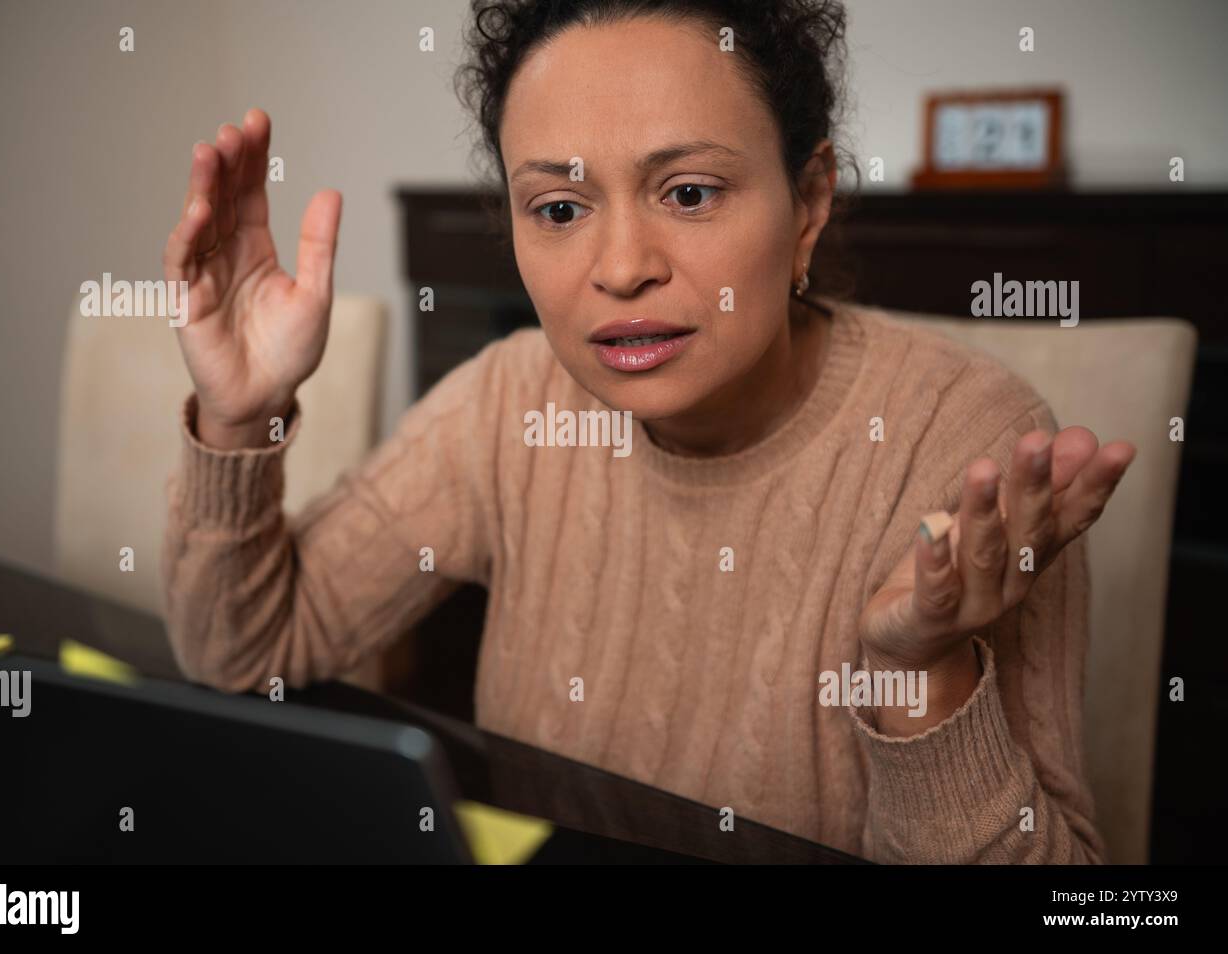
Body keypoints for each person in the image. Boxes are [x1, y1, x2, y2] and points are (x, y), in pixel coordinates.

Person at [160, 0, 1135, 863]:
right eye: (557, 207)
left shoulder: (967, 448)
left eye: (689, 193)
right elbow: (242, 656)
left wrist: (919, 678)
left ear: (808, 205)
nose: (620, 267)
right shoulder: (513, 400)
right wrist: (240, 414)